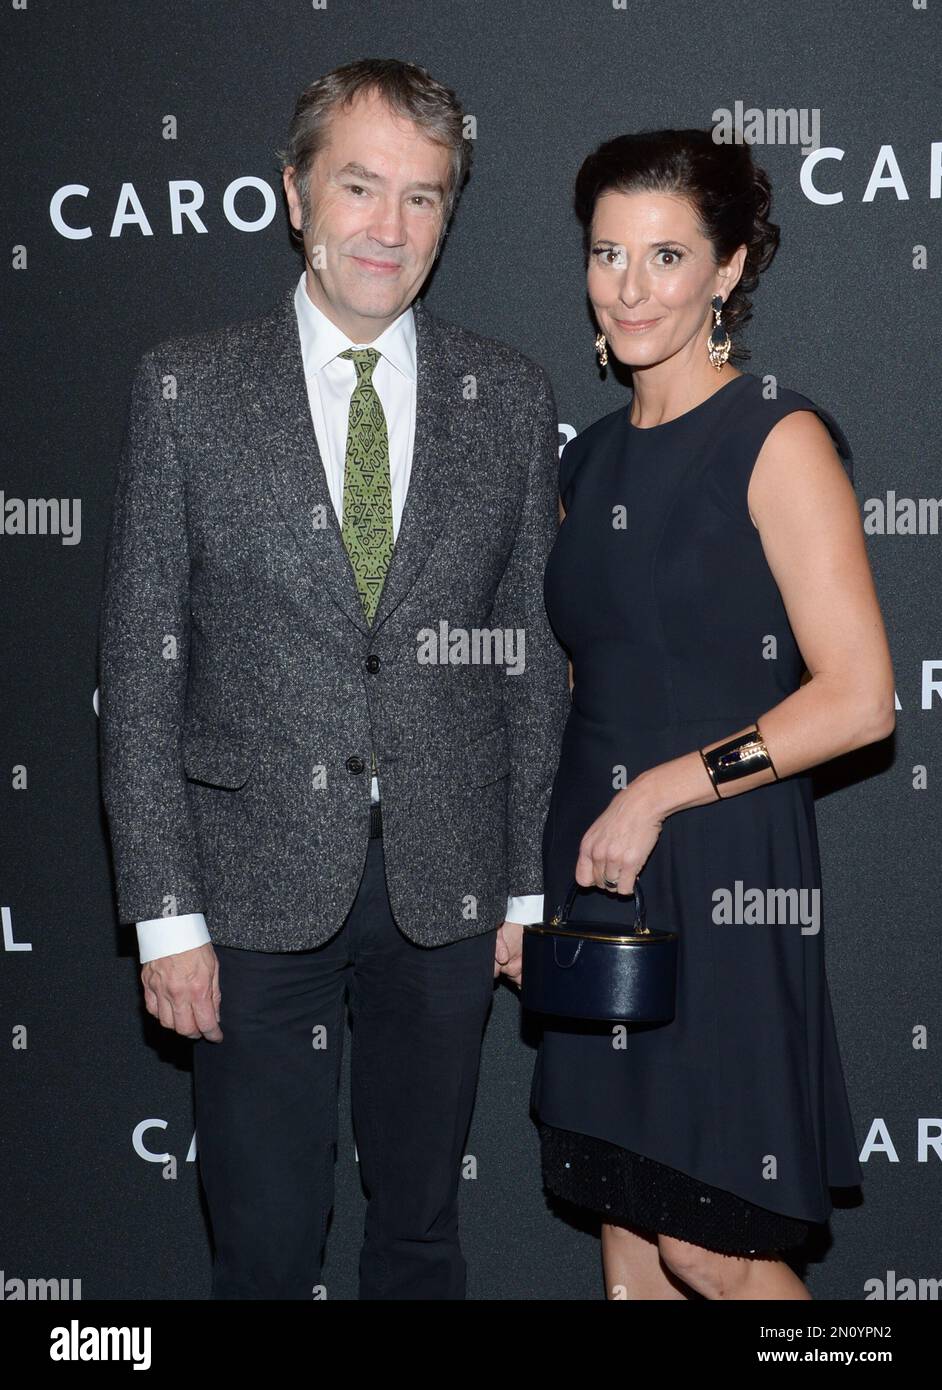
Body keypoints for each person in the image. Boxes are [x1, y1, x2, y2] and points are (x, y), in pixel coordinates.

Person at [98, 58, 570, 1300]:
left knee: (420, 1236)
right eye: (361, 186)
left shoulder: (510, 398)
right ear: (297, 196)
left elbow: (528, 659)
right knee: (262, 1243)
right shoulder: (186, 387)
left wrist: (527, 883)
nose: (389, 226)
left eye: (424, 197)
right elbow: (143, 666)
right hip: (248, 893)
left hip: (449, 884)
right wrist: (165, 914)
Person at [499, 128, 895, 1300]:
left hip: (720, 865)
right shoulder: (589, 461)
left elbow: (861, 699)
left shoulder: (776, 437)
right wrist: (538, 891)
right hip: (600, 876)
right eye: (607, 253)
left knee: (709, 1247)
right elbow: (579, 692)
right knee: (628, 1242)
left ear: (727, 271)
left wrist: (664, 789)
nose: (630, 287)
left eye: (666, 257)